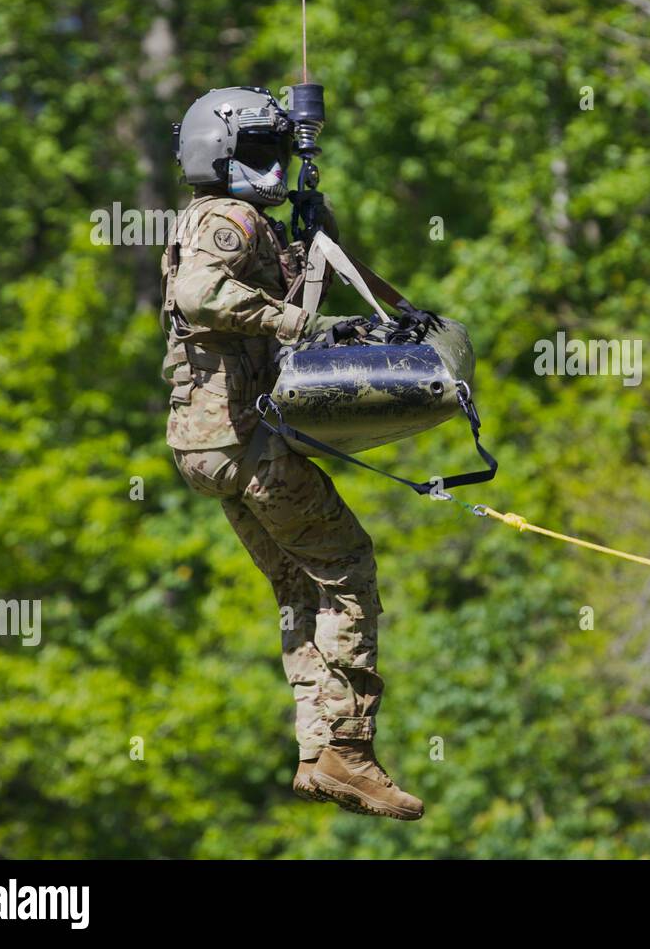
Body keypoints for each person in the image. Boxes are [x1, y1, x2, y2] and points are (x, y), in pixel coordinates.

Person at [159, 86, 423, 820]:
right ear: (220, 153)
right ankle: (350, 743)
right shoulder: (229, 218)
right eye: (259, 152)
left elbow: (316, 267)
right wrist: (293, 322)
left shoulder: (229, 218)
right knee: (347, 566)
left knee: (299, 589)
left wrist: (390, 305)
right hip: (242, 440)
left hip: (207, 447)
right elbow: (199, 292)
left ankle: (318, 754)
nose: (272, 167)